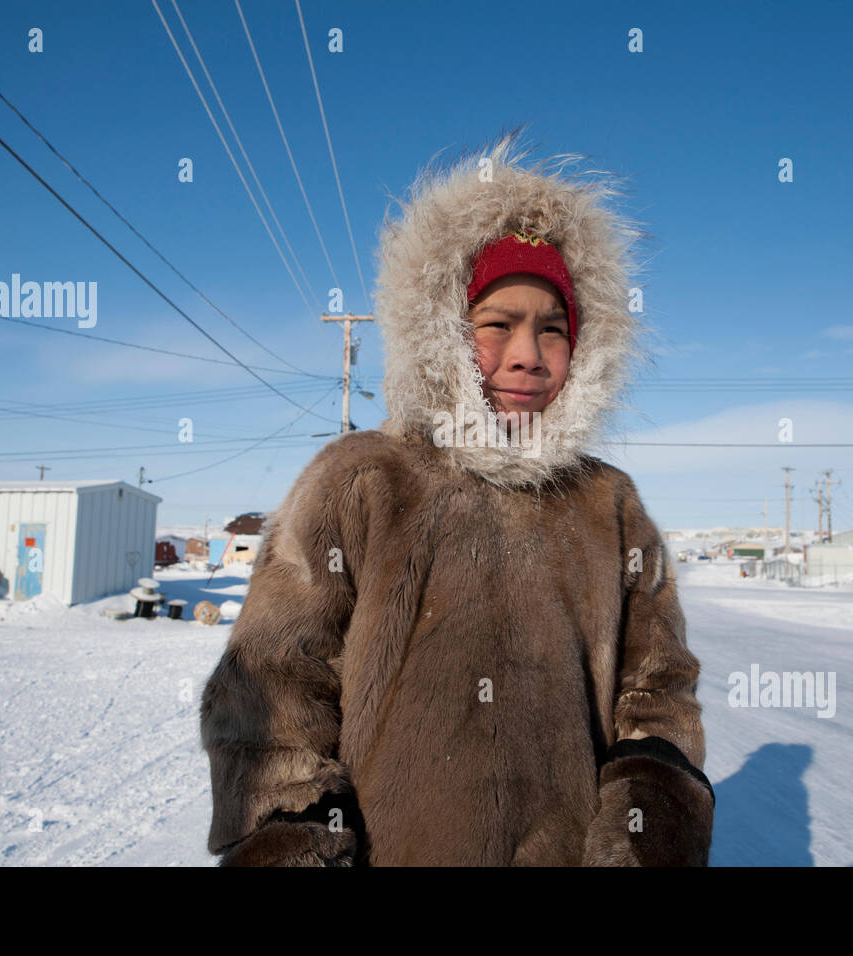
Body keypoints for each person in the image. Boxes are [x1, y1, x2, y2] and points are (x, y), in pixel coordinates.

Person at [199, 129, 714, 866]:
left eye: (554, 330)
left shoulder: (609, 503)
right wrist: (295, 834)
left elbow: (659, 688)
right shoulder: (364, 480)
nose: (527, 355)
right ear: (442, 330)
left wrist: (645, 827)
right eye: (497, 325)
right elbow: (273, 688)